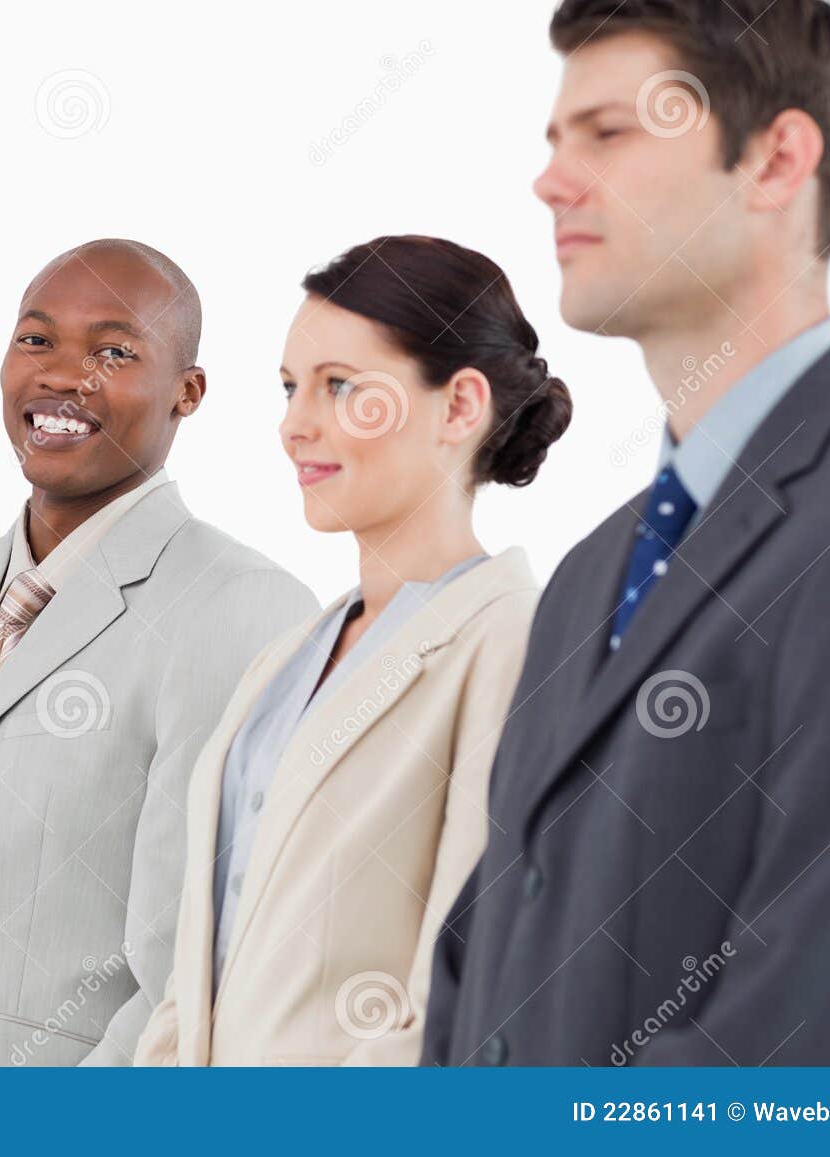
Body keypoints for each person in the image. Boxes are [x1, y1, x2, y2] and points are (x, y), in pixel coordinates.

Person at [424, 0, 830, 1067]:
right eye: (554, 141)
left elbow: (811, 1034)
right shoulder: (587, 576)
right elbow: (478, 968)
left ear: (776, 158)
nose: (552, 180)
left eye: (607, 134)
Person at [0, 239, 318, 1065]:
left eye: (114, 350)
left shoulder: (242, 608)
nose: (62, 375)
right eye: (37, 340)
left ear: (188, 392)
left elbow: (187, 967)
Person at [134, 235, 571, 1065]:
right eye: (292, 388)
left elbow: (463, 987)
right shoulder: (289, 655)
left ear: (460, 407)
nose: (295, 425)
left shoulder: (512, 638)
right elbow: (197, 972)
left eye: (340, 388)